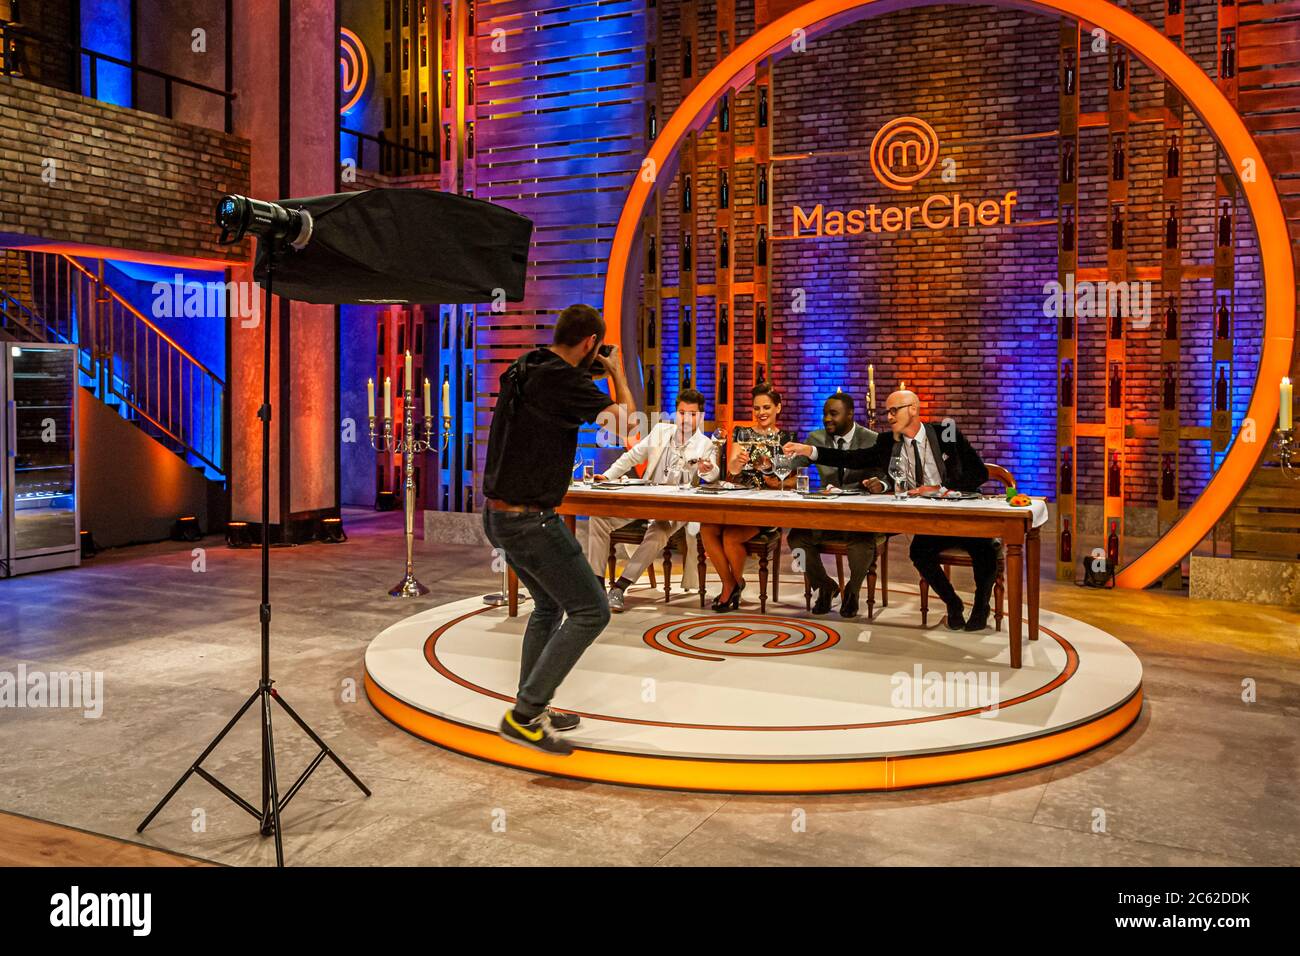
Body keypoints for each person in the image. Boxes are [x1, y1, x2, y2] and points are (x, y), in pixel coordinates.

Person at [482, 304, 635, 755]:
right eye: (596, 348)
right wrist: (617, 372)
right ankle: (525, 715)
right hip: (530, 519)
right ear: (590, 343)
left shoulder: (526, 366)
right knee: (593, 610)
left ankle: (533, 706)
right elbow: (625, 424)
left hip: (498, 515)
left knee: (548, 607)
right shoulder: (567, 379)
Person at [783, 390, 994, 631]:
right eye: (888, 412)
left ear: (913, 409)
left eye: (895, 410)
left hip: (960, 512)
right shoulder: (887, 442)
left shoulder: (946, 433)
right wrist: (811, 451)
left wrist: (940, 488)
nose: (890, 417)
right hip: (927, 520)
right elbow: (853, 458)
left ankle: (981, 607)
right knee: (919, 552)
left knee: (983, 548)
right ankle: (953, 603)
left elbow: (980, 474)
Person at [586, 388, 719, 612]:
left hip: (678, 510)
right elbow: (631, 457)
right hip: (645, 501)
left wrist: (707, 470)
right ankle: (597, 585)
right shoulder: (660, 431)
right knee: (597, 517)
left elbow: (713, 473)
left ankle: (620, 587)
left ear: (701, 416)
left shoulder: (705, 444)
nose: (686, 418)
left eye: (693, 414)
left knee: (659, 531)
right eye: (682, 412)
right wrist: (607, 476)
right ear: (676, 413)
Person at [787, 392, 889, 618]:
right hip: (826, 514)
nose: (827, 419)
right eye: (825, 414)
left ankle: (852, 590)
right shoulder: (815, 439)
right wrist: (773, 463)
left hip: (858, 516)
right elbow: (792, 466)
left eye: (833, 414)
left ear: (850, 414)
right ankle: (824, 586)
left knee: (861, 539)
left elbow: (887, 475)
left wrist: (880, 484)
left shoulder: (872, 439)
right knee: (796, 538)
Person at [699, 383, 797, 613]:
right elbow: (732, 471)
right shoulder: (743, 432)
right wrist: (737, 461)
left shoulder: (787, 438)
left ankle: (730, 587)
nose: (761, 413)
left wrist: (774, 477)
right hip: (738, 500)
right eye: (756, 408)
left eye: (766, 407)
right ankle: (731, 583)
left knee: (732, 537)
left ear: (778, 408)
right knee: (706, 528)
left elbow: (794, 480)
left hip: (767, 506)